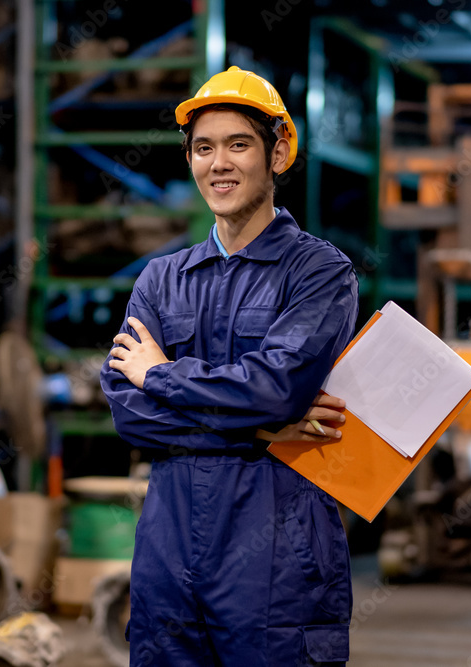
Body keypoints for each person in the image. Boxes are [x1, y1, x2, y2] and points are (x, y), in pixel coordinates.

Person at [100, 65, 359, 666]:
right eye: (204, 148)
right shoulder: (162, 279)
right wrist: (261, 431)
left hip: (275, 553)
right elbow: (129, 416)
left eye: (238, 144)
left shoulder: (318, 272)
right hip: (168, 550)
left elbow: (276, 388)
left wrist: (162, 375)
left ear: (278, 154)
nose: (219, 163)